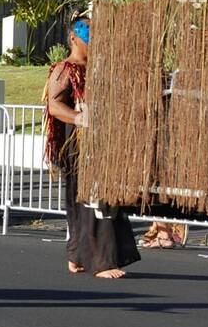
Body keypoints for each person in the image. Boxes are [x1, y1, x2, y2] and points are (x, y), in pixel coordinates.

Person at [44, 14, 140, 279]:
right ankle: (101, 261)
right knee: (91, 200)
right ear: (73, 37)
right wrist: (79, 118)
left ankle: (76, 255)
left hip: (100, 144)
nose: (92, 37)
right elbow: (54, 104)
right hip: (78, 144)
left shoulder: (100, 68)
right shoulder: (66, 68)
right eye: (86, 32)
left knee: (88, 200)